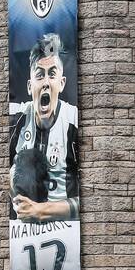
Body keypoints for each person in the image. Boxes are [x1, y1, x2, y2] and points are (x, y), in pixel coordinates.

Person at [7, 33, 79, 222]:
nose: (46, 82)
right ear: (30, 87)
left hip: (65, 230)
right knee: (17, 167)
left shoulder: (74, 123)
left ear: (61, 83)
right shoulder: (15, 119)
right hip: (22, 233)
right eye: (40, 75)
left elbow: (92, 198)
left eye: (52, 74)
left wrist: (41, 210)